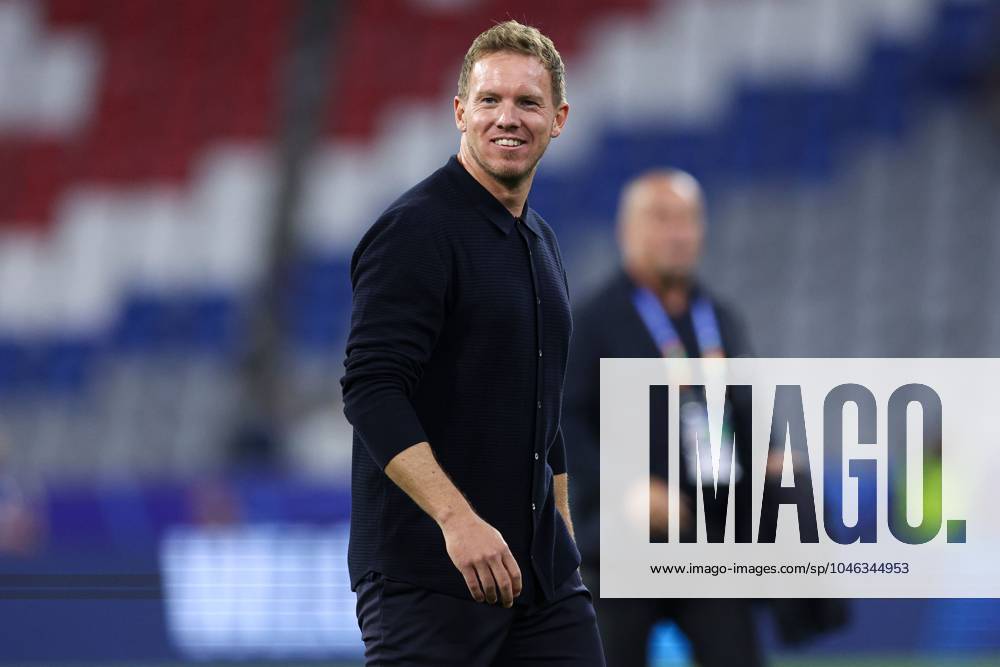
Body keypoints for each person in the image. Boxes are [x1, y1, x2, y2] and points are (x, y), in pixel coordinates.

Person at [341, 20, 605, 666]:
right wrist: (457, 521)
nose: (507, 117)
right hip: (427, 573)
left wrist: (560, 527)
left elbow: (545, 400)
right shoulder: (416, 230)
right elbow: (371, 388)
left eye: (527, 102)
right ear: (460, 112)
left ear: (559, 118)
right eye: (489, 100)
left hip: (541, 580)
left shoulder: (540, 239)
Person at [565, 170, 763, 666]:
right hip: (618, 544)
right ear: (626, 231)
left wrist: (769, 457)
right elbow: (564, 425)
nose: (677, 233)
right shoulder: (592, 321)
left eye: (687, 220)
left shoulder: (719, 317)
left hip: (706, 536)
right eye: (661, 219)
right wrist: (627, 487)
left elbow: (745, 412)